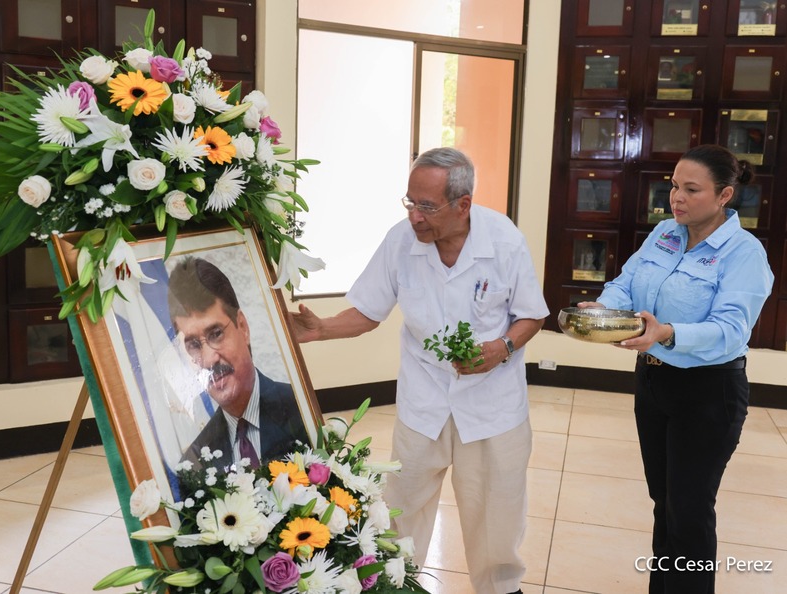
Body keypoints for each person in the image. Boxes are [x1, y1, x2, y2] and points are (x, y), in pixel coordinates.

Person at [290, 147, 549, 594]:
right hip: (424, 401)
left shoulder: (504, 241)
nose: (415, 217)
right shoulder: (401, 240)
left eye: (427, 206)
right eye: (410, 202)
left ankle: (501, 589)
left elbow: (532, 315)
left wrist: (501, 347)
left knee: (495, 516)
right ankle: (396, 584)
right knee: (400, 510)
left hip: (492, 408)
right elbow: (369, 309)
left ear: (463, 204)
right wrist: (322, 330)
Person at [578, 144, 773, 594]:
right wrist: (603, 309)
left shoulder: (744, 253)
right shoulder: (665, 232)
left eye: (691, 189)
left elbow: (730, 330)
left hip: (707, 393)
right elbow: (625, 284)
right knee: (663, 502)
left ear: (725, 195)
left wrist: (665, 332)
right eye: (673, 186)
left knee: (688, 510)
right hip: (653, 381)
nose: (676, 198)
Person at [167, 256, 308, 471]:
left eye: (216, 334)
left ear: (243, 327)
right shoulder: (193, 464)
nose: (209, 359)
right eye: (194, 345)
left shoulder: (302, 411)